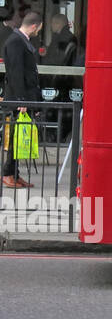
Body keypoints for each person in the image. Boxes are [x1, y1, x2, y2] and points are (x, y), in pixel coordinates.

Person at [2, 11, 42, 189]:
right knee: (14, 138)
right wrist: (21, 100)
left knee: (20, 138)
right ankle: (7, 174)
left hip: (23, 97)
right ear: (34, 25)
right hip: (19, 98)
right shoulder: (16, 41)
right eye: (39, 28)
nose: (38, 32)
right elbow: (16, 73)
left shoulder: (20, 40)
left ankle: (15, 173)